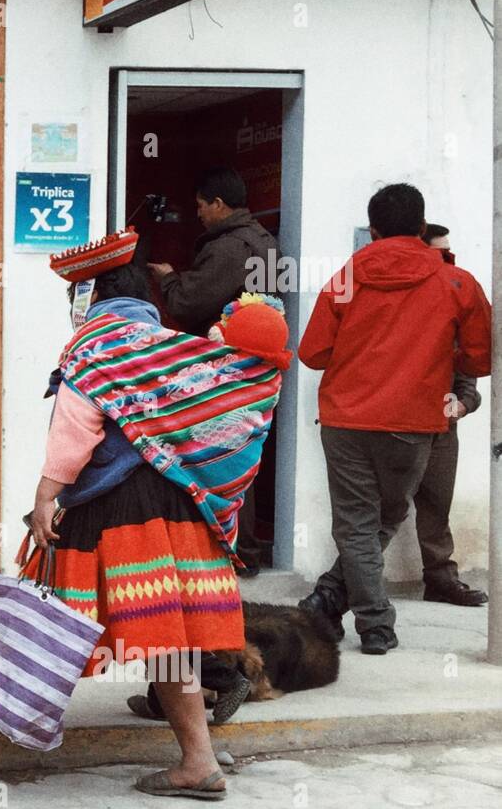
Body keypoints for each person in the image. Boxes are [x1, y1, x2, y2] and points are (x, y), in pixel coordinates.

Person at [0, 253, 290, 800]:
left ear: (88, 298)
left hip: (112, 511)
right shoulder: (170, 346)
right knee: (166, 638)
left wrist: (45, 495)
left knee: (49, 612)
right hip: (180, 512)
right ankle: (198, 759)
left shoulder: (96, 347)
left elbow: (76, 428)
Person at [297, 185, 492, 655]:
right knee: (382, 517)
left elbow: (313, 353)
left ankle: (342, 604)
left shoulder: (345, 278)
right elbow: (481, 359)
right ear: (422, 229)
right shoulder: (456, 283)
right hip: (414, 423)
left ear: (375, 230)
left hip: (346, 420)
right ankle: (372, 621)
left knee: (359, 523)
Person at [148, 166, 279, 575]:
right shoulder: (263, 240)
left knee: (217, 453)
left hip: (225, 368)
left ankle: (235, 550)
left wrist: (169, 280)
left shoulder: (229, 248)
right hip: (255, 366)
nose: (200, 214)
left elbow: (188, 303)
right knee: (242, 452)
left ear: (220, 204)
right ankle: (246, 548)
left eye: (203, 206)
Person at [412, 224, 487, 607]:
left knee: (437, 504)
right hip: (399, 421)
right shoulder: (402, 304)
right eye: (439, 255)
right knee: (378, 513)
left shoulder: (456, 299)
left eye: (450, 255)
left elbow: (469, 378)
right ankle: (349, 587)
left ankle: (440, 580)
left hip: (441, 423)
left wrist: (463, 403)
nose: (447, 263)